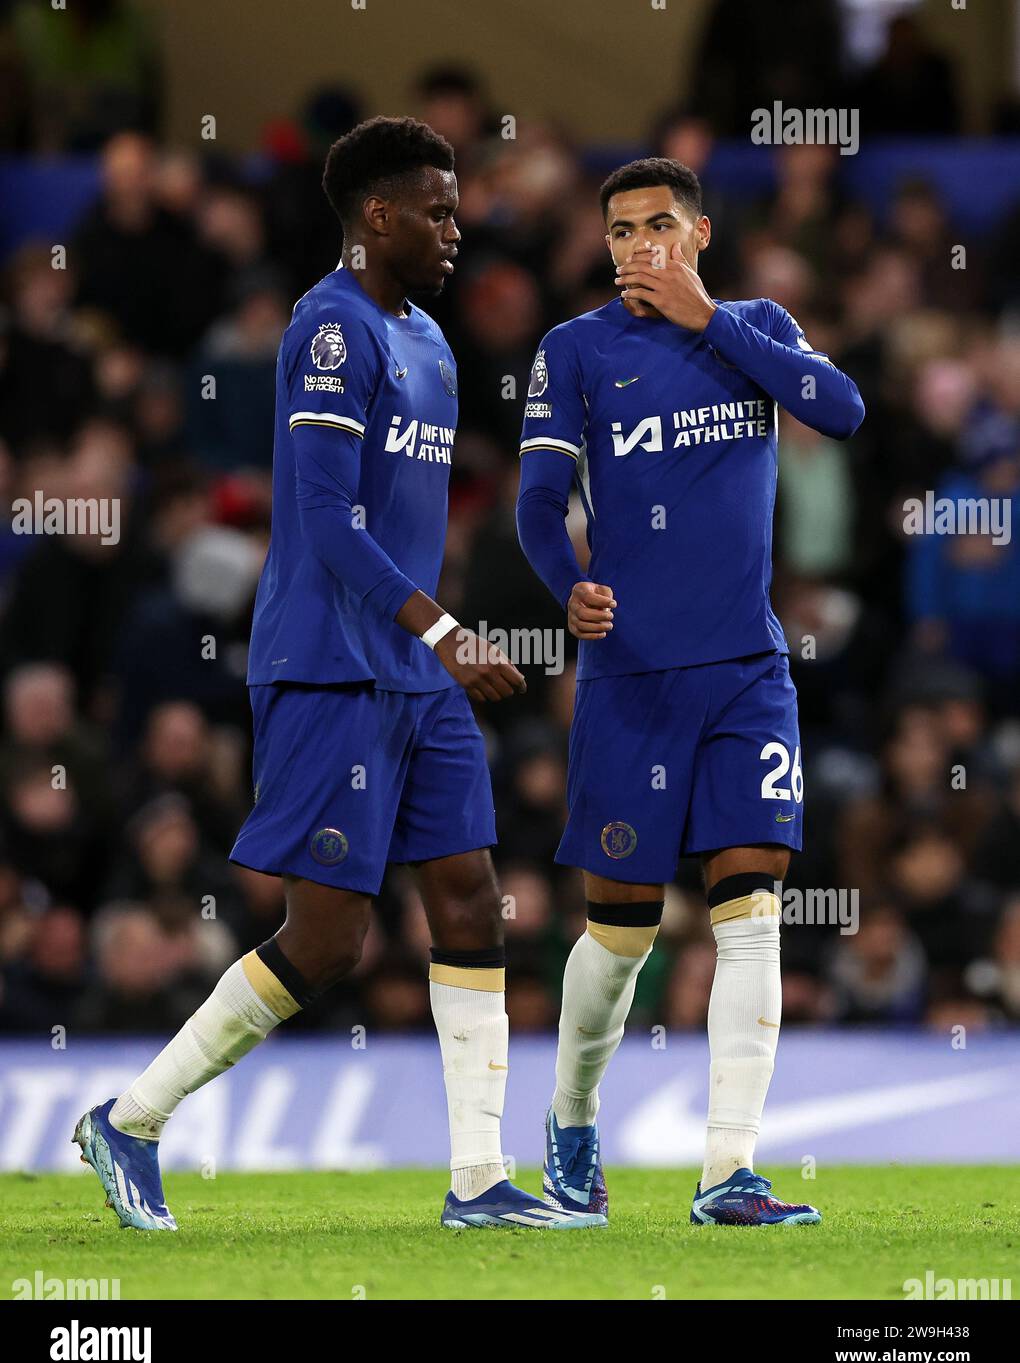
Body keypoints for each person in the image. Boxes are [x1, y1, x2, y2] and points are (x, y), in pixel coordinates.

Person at [74, 116, 597, 1232]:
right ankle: (130, 1118)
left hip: (414, 667)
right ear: (376, 214)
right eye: (439, 210)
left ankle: (478, 1185)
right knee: (327, 940)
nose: (459, 230)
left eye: (459, 209)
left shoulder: (437, 344)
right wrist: (444, 630)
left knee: (468, 900)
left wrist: (446, 630)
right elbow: (323, 513)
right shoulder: (329, 324)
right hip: (329, 664)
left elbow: (413, 521)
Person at [516, 156, 864, 1226]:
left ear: (699, 234)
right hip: (633, 680)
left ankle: (728, 1170)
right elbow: (535, 500)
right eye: (620, 232)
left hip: (748, 673)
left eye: (659, 225)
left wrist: (710, 316)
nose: (637, 247)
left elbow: (841, 409)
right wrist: (567, 585)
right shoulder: (574, 350)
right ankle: (571, 1124)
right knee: (621, 937)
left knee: (751, 908)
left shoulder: (752, 325)